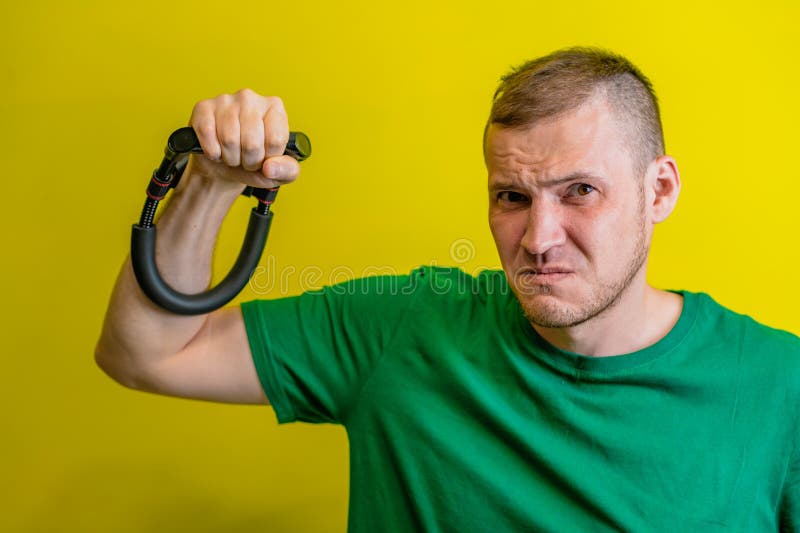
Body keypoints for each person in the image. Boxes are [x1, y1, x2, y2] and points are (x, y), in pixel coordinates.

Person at [95, 47, 800, 531]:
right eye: (511, 196)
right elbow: (145, 353)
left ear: (660, 190)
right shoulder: (402, 328)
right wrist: (211, 185)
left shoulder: (779, 385)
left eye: (579, 191)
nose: (538, 236)